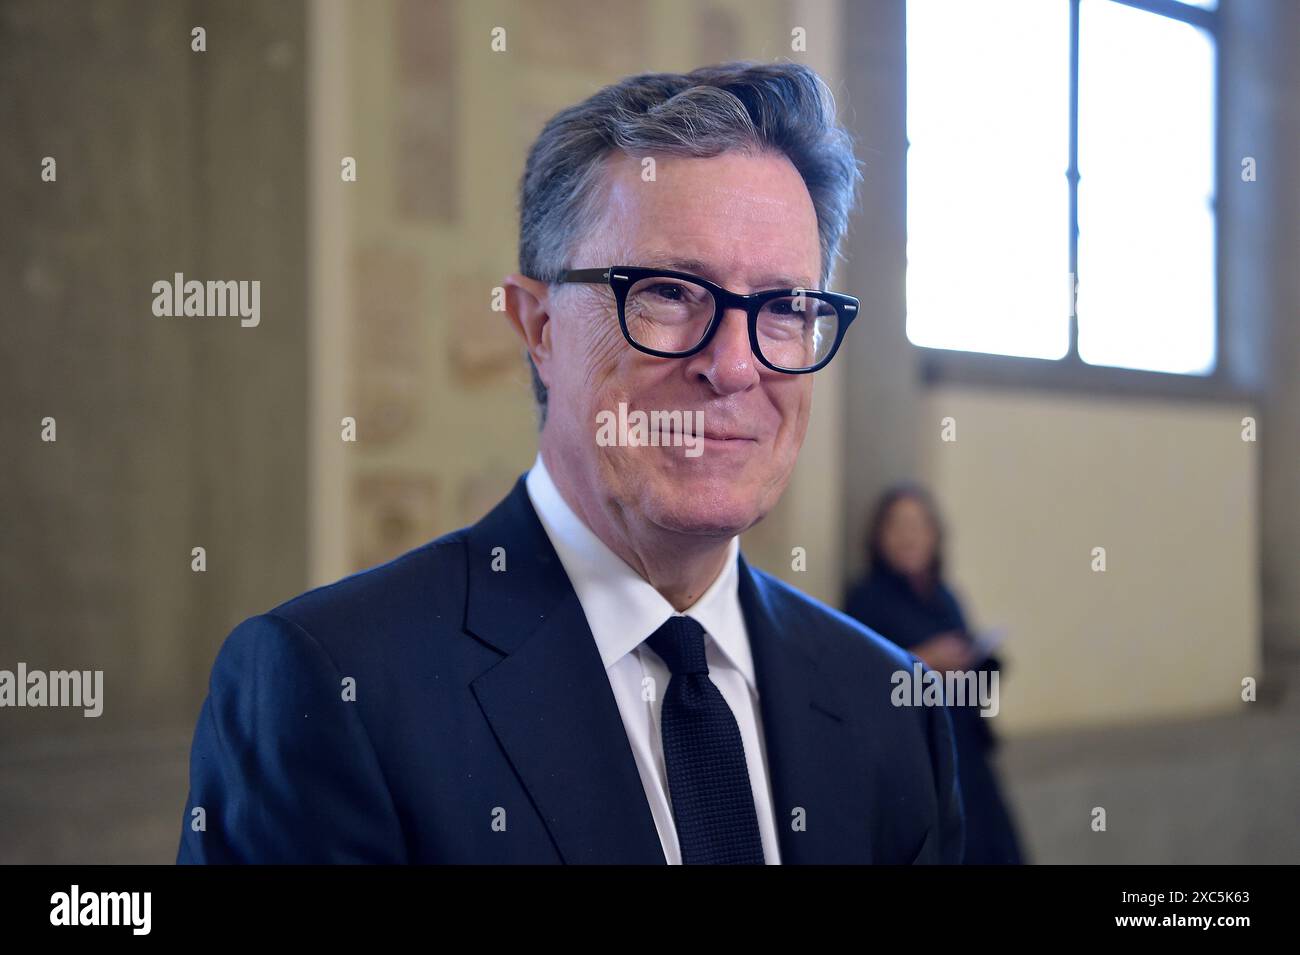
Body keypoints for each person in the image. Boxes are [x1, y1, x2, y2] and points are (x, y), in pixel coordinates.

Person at [177, 61, 963, 864]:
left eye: (784, 307)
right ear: (539, 327)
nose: (733, 366)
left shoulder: (893, 705)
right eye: (667, 292)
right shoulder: (331, 689)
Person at [845, 483, 1026, 864]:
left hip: (966, 755)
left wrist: (977, 661)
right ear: (879, 537)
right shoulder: (867, 600)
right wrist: (921, 660)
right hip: (913, 765)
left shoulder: (945, 597)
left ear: (935, 535)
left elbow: (971, 690)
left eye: (919, 525)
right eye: (897, 526)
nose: (909, 536)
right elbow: (856, 685)